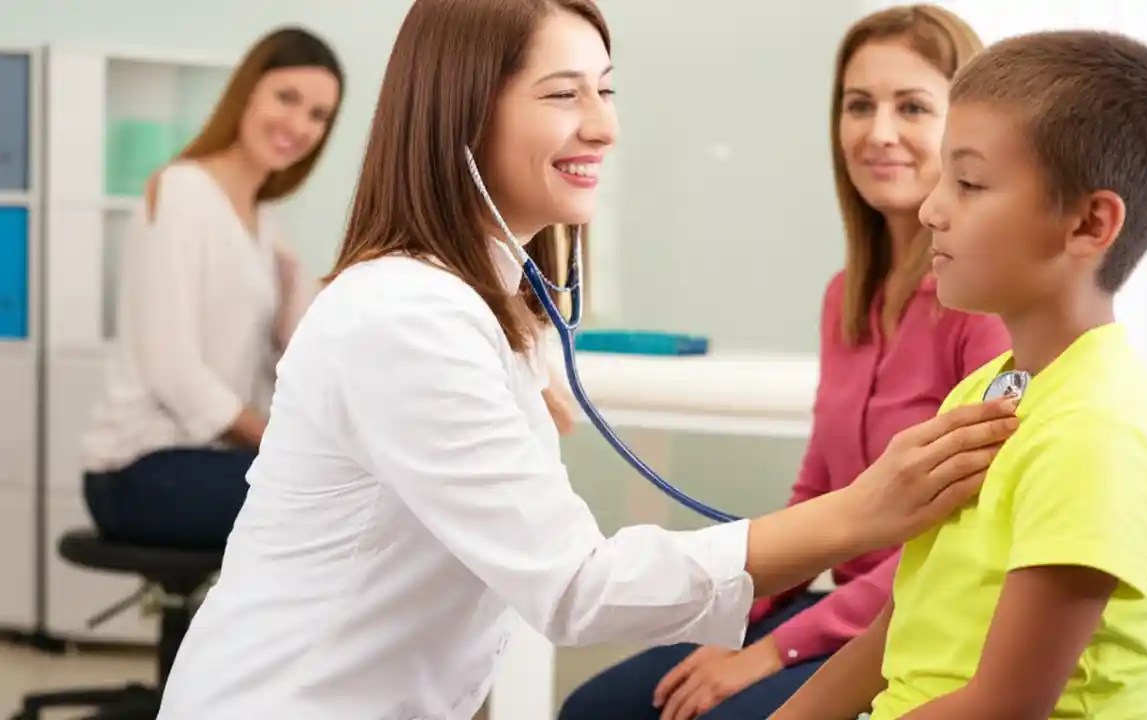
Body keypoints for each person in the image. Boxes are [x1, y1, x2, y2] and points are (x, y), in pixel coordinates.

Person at [154, 2, 1019, 718]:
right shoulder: (405, 316)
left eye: (606, 92)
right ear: (463, 111)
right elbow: (575, 585)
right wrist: (860, 516)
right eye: (565, 94)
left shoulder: (479, 307)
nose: (604, 125)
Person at [560, 6, 1009, 719]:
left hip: (917, 627)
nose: (878, 132)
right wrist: (733, 617)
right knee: (598, 708)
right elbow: (818, 496)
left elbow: (954, 547)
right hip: (835, 614)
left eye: (912, 107)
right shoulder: (845, 298)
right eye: (858, 105)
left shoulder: (985, 307)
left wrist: (774, 649)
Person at [774, 28, 1147, 720]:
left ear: (1090, 224)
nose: (934, 208)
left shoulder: (1096, 434)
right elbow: (897, 631)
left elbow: (1003, 704)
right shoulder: (988, 391)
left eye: (968, 184)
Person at [79, 27, 344, 550]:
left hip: (205, 459)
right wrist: (276, 443)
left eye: (318, 115)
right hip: (139, 471)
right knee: (331, 509)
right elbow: (172, 370)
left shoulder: (265, 222)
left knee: (345, 494)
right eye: (286, 98)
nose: (299, 125)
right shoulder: (182, 192)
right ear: (247, 92)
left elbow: (291, 357)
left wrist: (301, 284)